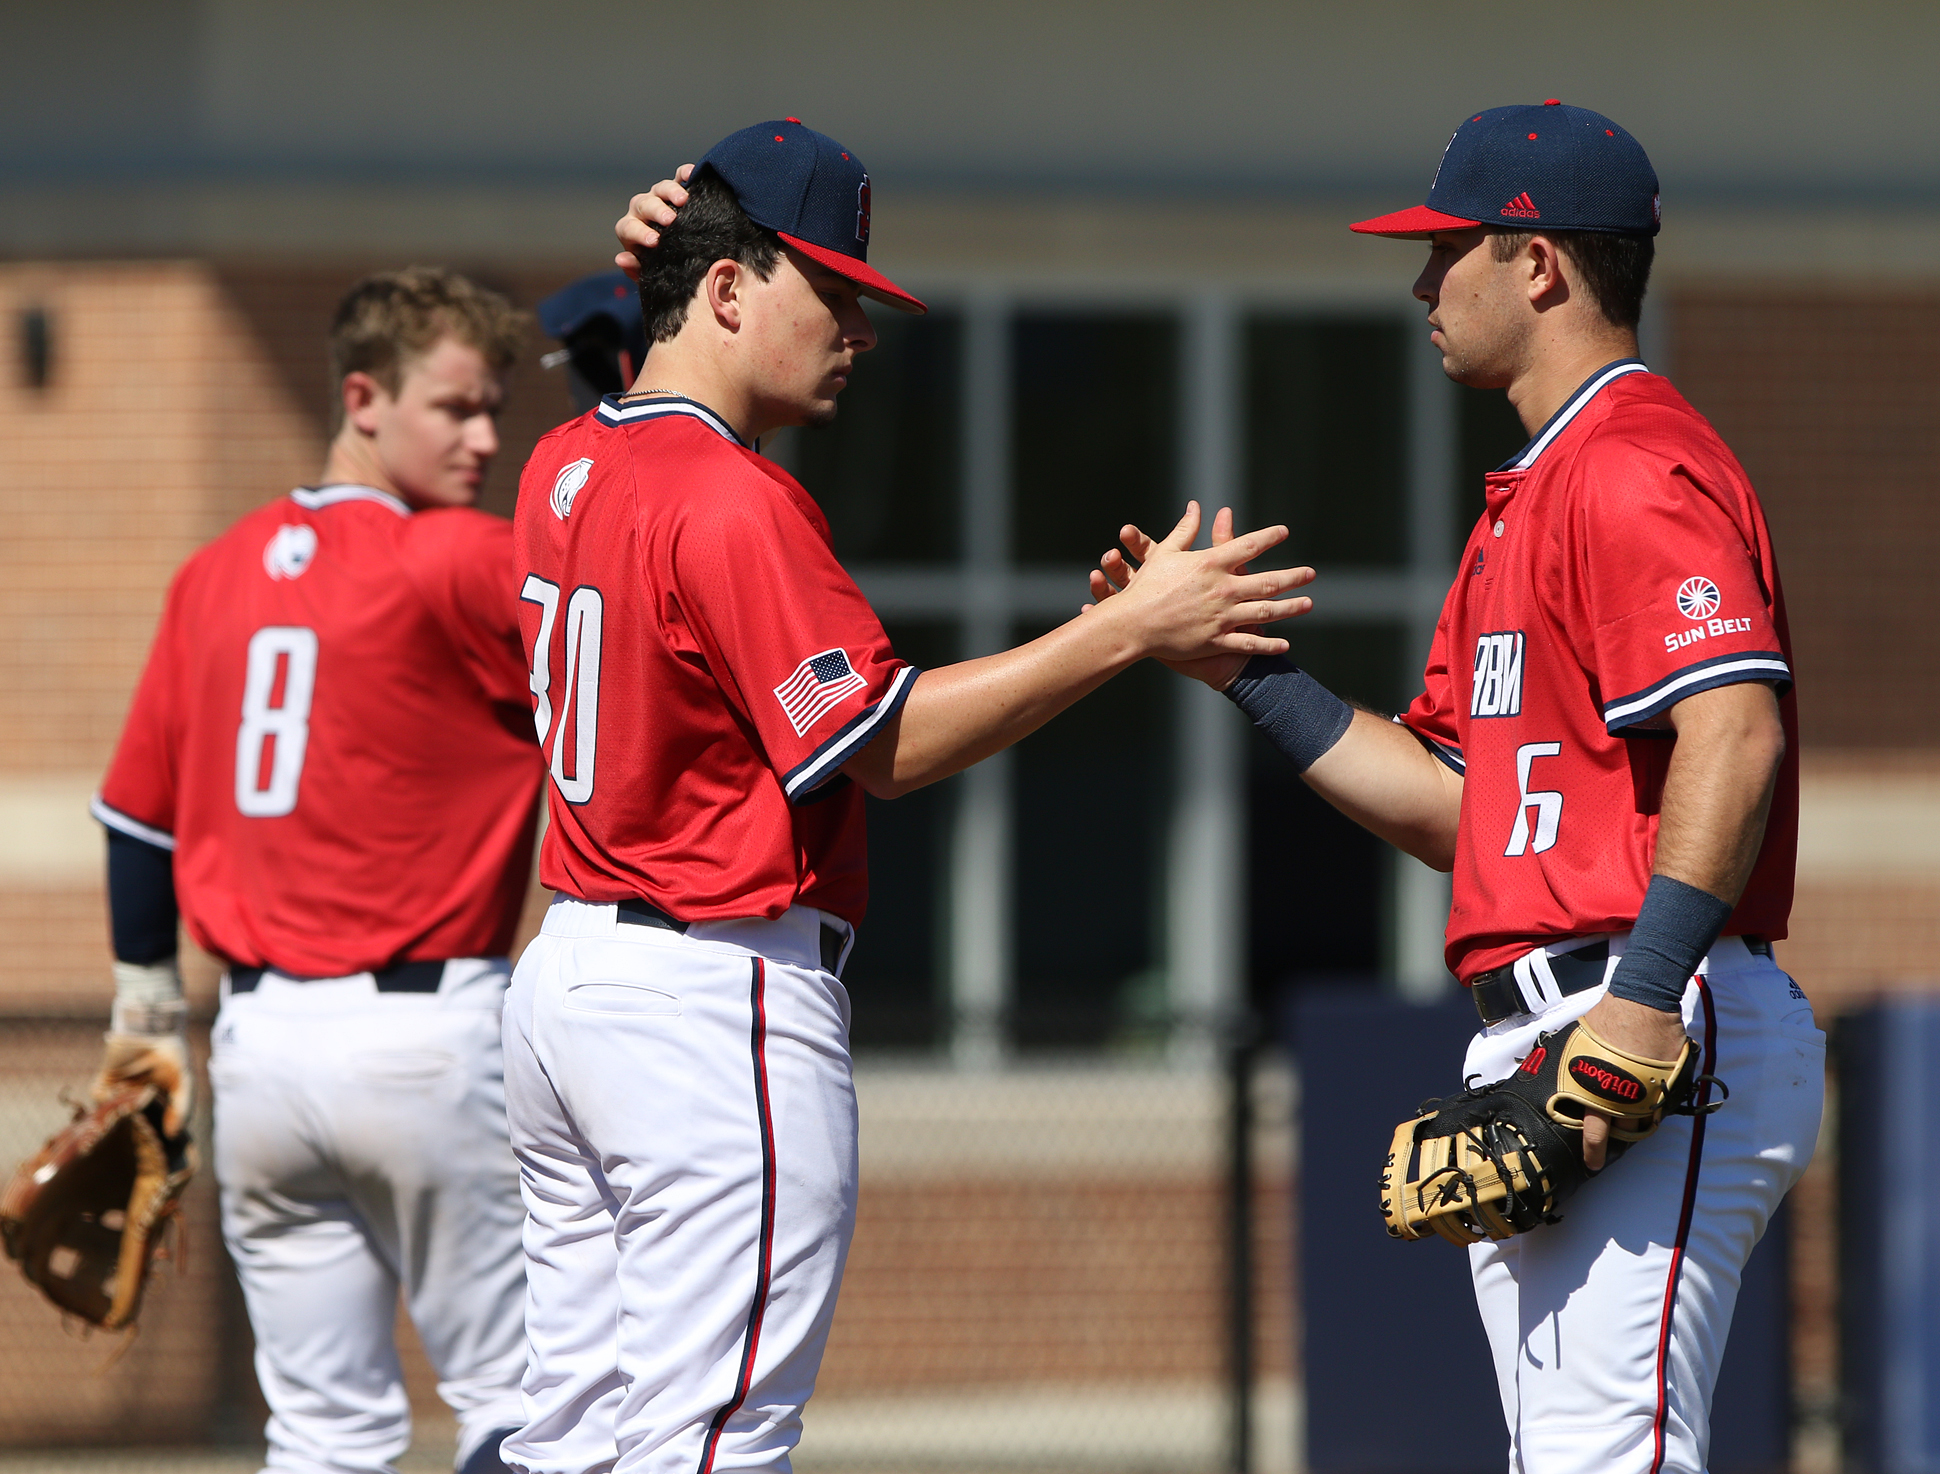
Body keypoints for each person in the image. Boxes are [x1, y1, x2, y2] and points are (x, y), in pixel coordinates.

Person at [507, 118, 1310, 1474]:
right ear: (724, 288)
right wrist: (1123, 636)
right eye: (830, 292)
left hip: (570, 980)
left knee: (574, 1438)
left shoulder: (567, 460)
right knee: (710, 1438)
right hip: (708, 1001)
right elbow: (881, 745)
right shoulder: (731, 496)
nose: (857, 328)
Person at [1088, 101, 1822, 1473]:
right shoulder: (1531, 494)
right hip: (1568, 1017)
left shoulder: (1630, 464)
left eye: (1448, 252)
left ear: (1537, 263)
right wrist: (1239, 668)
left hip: (1644, 1018)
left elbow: (1736, 730)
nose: (1425, 285)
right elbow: (1451, 804)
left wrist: (1643, 1000)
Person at [91, 267, 544, 1474]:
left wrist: (144, 1016)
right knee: (525, 1408)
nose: (488, 437)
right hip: (426, 1045)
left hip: (259, 1058)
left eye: (497, 406)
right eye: (457, 407)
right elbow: (628, 602)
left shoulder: (216, 571)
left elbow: (134, 821)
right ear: (362, 396)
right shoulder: (456, 560)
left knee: (321, 1437)